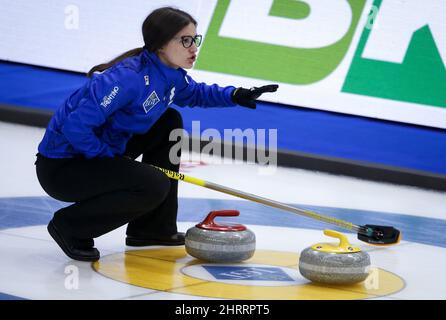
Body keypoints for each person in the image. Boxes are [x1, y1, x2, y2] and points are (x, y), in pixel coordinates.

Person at [34, 6, 278, 262]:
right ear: (161, 43)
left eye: (195, 39)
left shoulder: (169, 74)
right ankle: (71, 227)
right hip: (64, 167)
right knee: (153, 184)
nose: (194, 47)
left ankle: (152, 229)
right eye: (185, 41)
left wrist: (235, 95)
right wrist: (108, 159)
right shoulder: (127, 79)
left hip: (101, 151)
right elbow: (76, 128)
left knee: (168, 122)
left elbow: (195, 93)